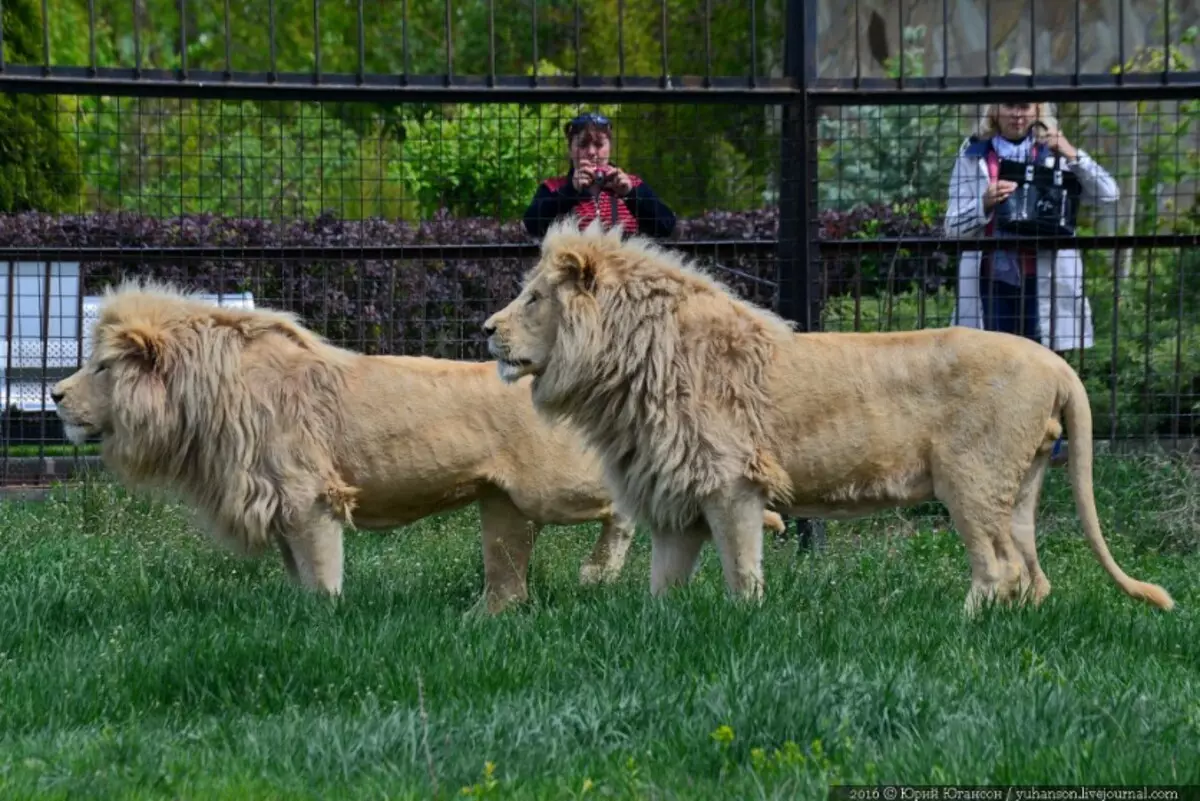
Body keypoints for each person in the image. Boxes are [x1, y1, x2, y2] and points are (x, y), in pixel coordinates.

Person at [943, 71, 1119, 464]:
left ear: (1038, 109)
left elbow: (1109, 195)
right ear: (995, 110)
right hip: (992, 276)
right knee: (993, 363)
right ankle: (997, 447)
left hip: (1045, 277)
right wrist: (985, 202)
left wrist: (1072, 153)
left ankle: (1047, 443)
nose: (1017, 115)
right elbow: (951, 224)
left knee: (1043, 363)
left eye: (1025, 106)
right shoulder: (974, 153)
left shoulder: (1055, 151)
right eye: (1009, 106)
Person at [522, 112, 676, 239]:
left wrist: (631, 194)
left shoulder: (633, 184)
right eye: (583, 145)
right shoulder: (553, 187)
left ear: (610, 147)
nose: (591, 152)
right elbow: (532, 226)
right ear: (570, 149)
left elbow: (666, 227)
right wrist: (570, 191)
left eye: (599, 144)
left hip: (623, 270)